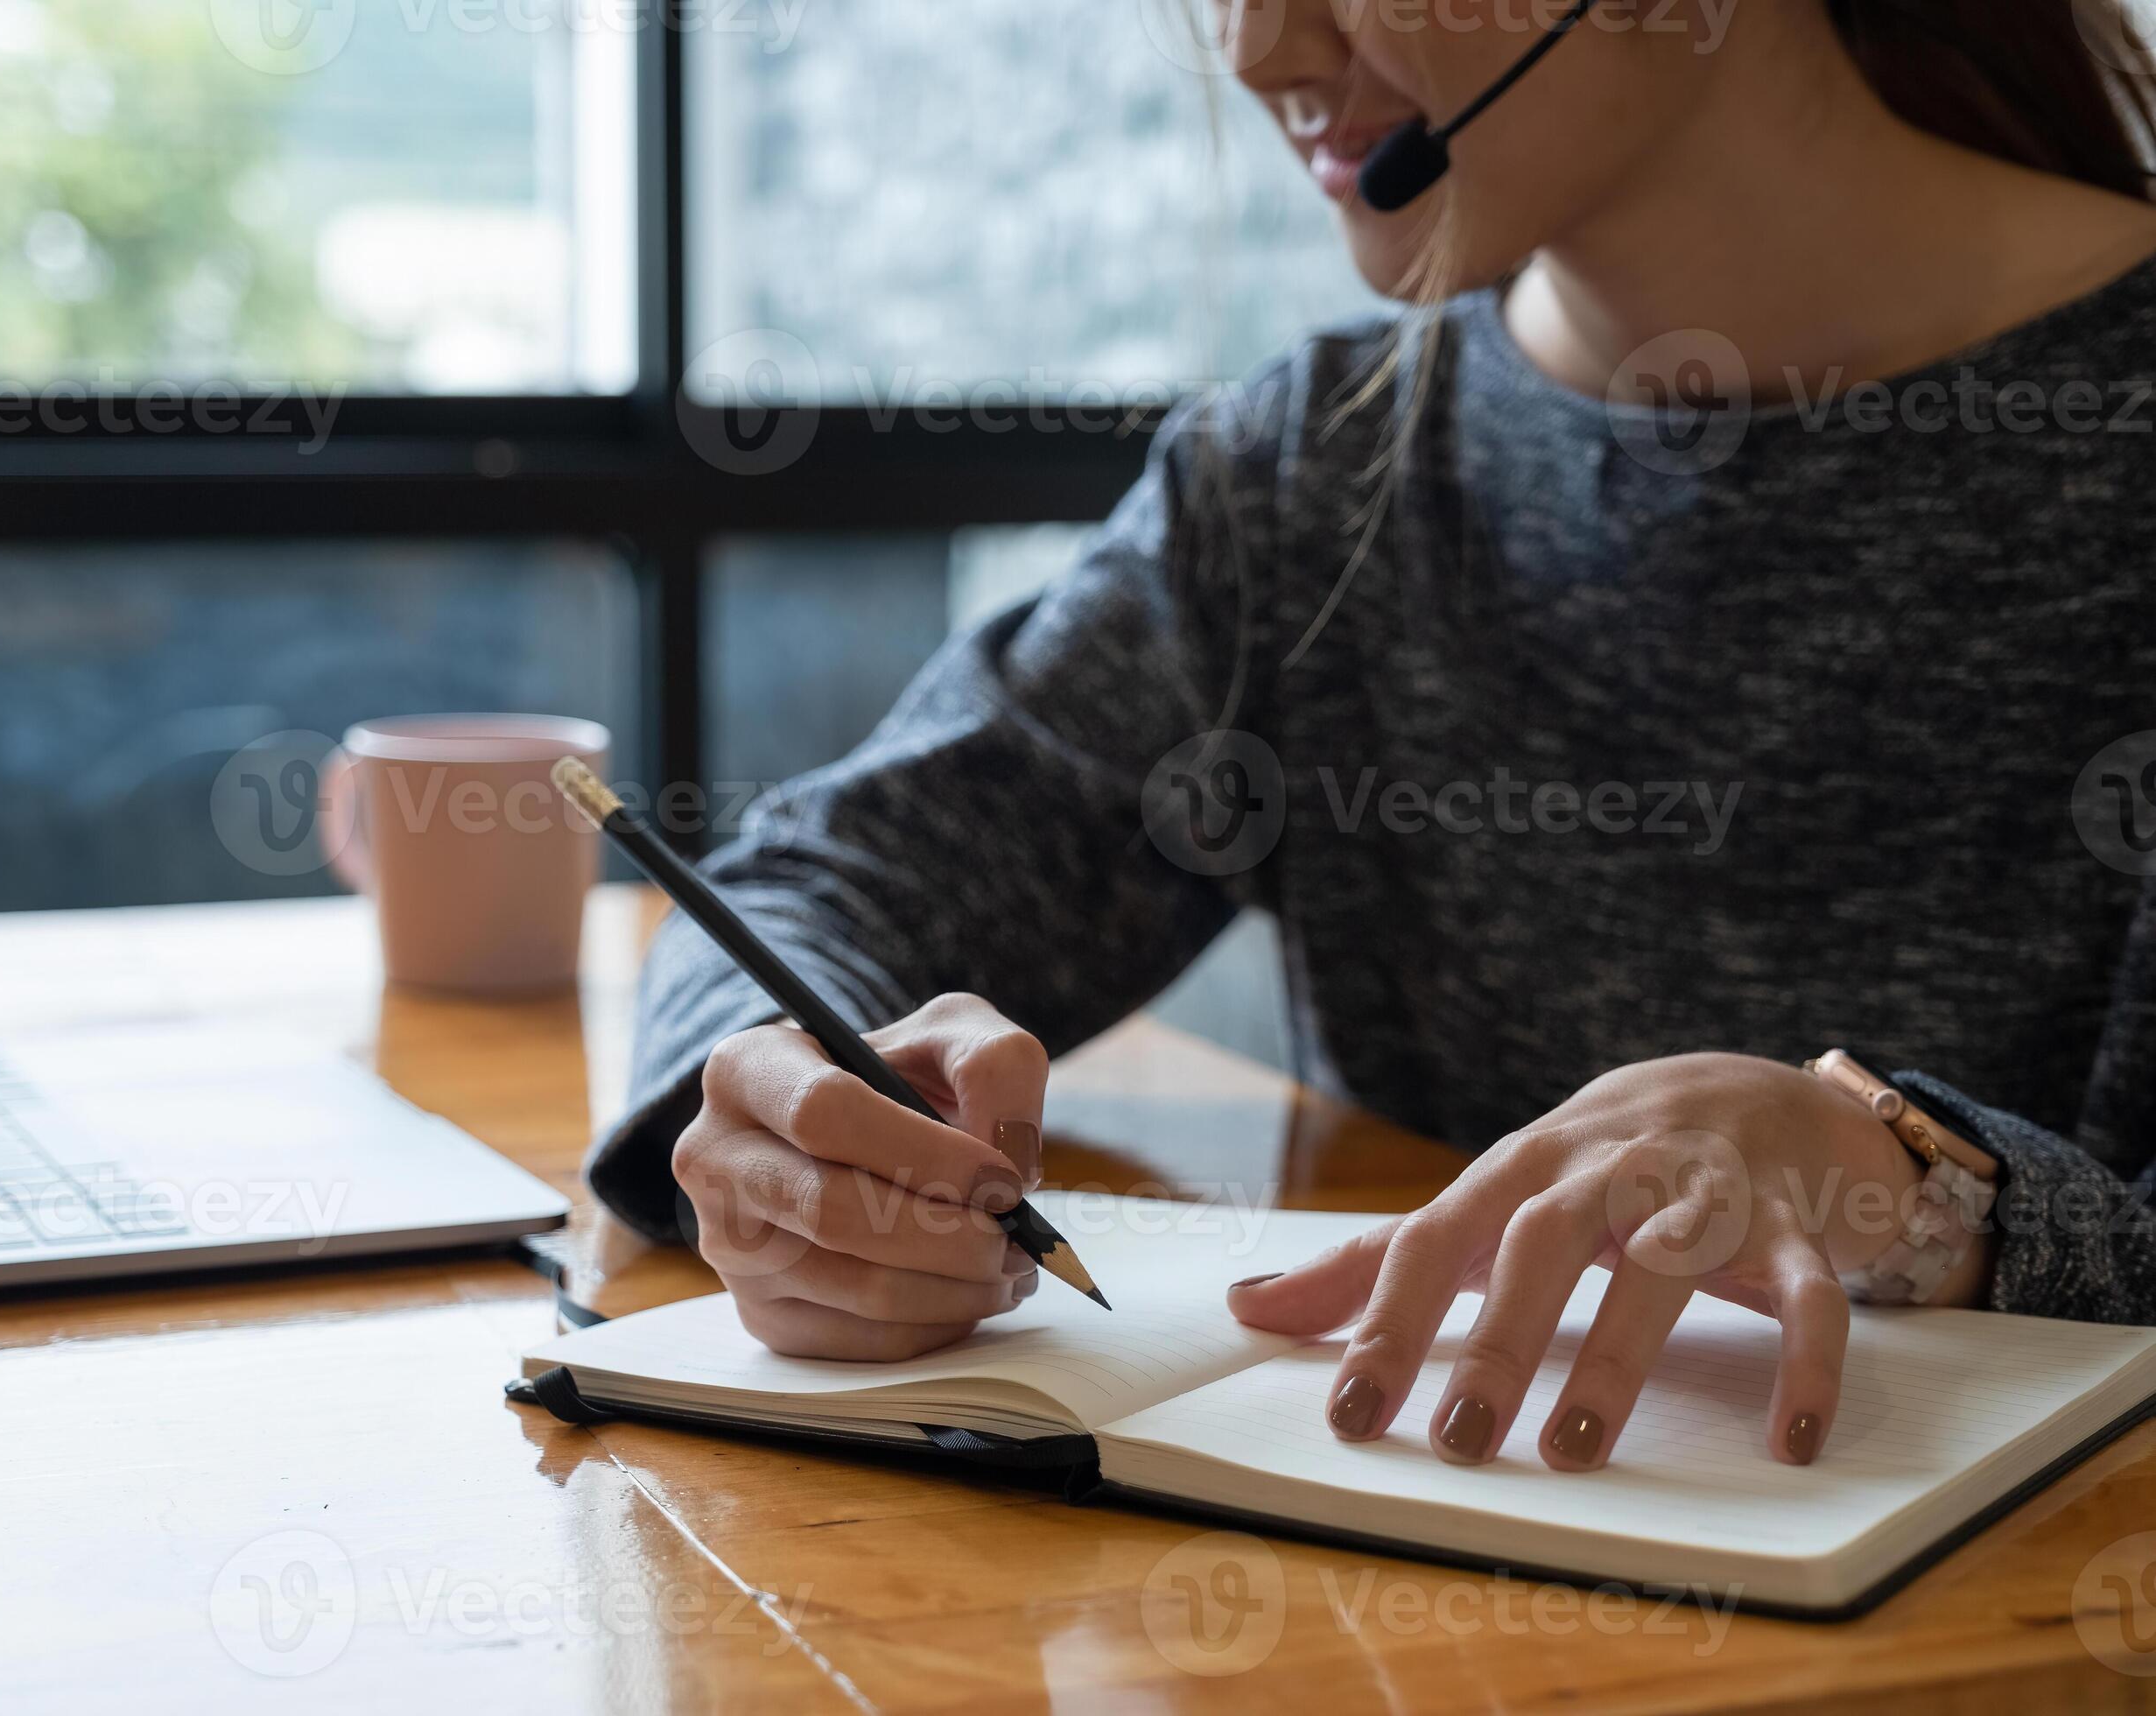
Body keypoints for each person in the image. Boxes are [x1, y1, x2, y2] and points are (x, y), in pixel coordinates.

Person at [586, 0, 2156, 1472]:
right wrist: (788, 1132)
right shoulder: (1311, 477)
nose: (1265, 46)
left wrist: (1910, 1182)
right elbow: (823, 880)